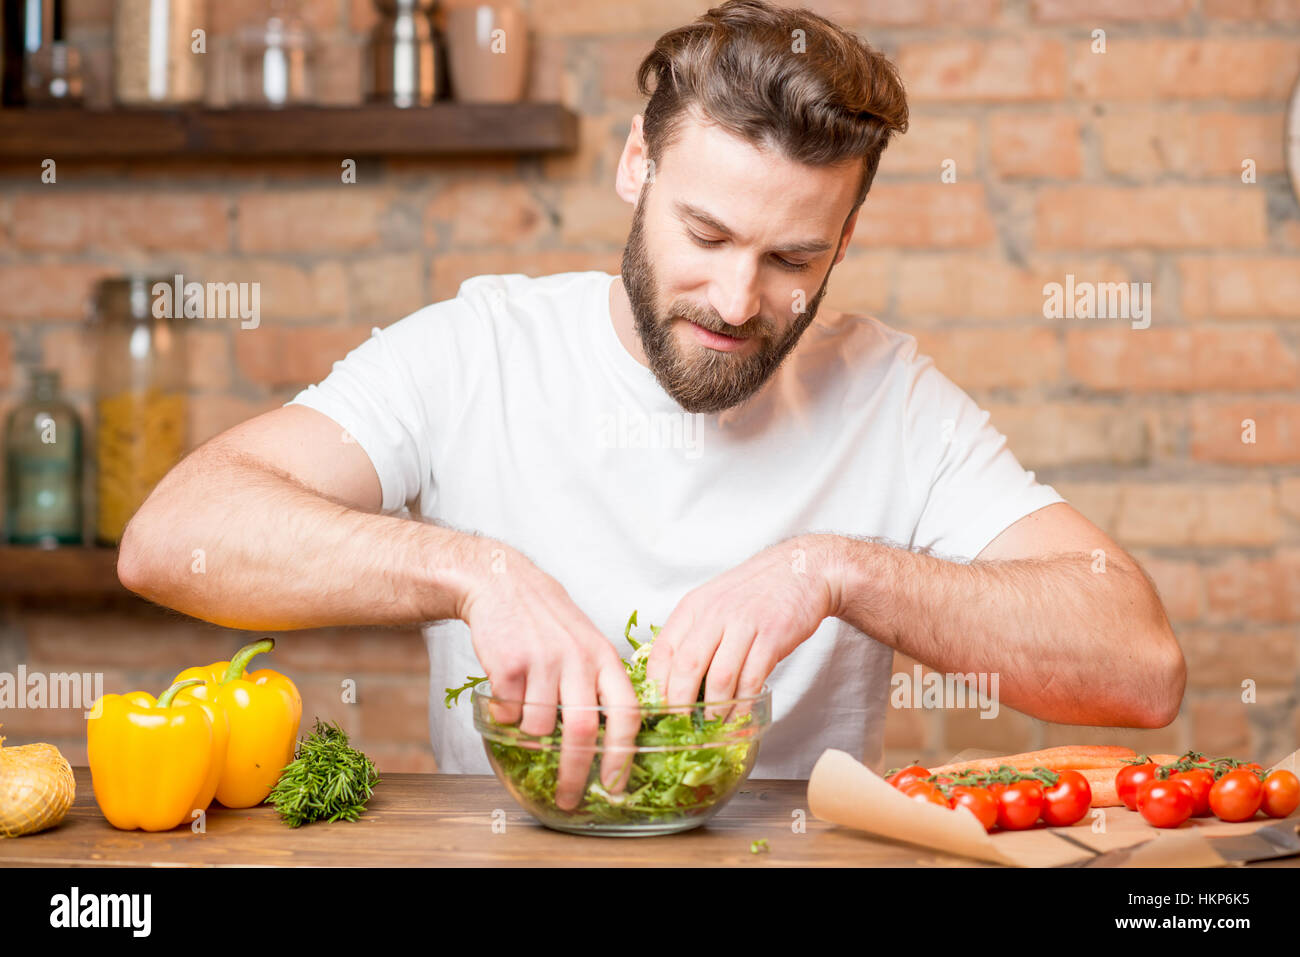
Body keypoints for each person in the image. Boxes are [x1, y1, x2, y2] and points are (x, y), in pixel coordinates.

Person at [119, 0, 1185, 811]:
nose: (736, 300)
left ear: (846, 242)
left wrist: (838, 570)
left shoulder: (891, 397)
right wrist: (472, 572)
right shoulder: (479, 349)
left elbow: (1139, 668)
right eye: (708, 236)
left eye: (793, 259)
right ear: (637, 165)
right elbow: (173, 536)